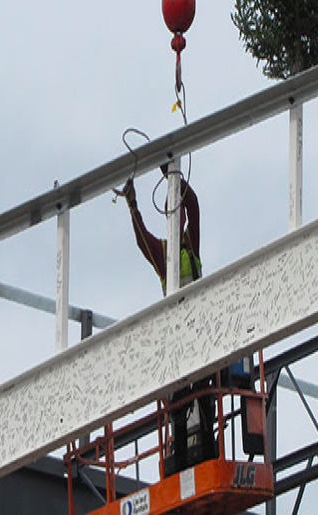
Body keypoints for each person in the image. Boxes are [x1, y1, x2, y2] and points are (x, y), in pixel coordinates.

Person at [120, 169, 215, 473]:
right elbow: (141, 240)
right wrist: (133, 206)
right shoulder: (163, 254)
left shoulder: (190, 244)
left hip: (196, 338)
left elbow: (194, 205)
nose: (182, 220)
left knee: (203, 402)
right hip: (179, 343)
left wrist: (175, 177)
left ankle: (205, 456)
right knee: (180, 408)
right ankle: (183, 465)